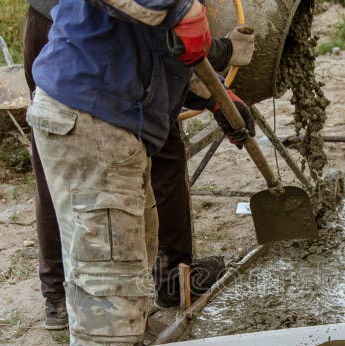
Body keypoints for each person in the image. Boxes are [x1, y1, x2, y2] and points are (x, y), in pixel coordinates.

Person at [26, 0, 255, 346]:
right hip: (94, 122)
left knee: (132, 274)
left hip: (112, 123)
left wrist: (218, 96)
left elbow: (160, 50)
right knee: (108, 302)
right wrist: (207, 38)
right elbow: (165, 18)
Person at [23, 0, 254, 329]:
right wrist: (209, 43)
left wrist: (210, 88)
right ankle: (165, 279)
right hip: (90, 44)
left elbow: (166, 37)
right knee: (105, 154)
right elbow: (161, 21)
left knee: (71, 165)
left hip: (78, 29)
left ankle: (69, 295)